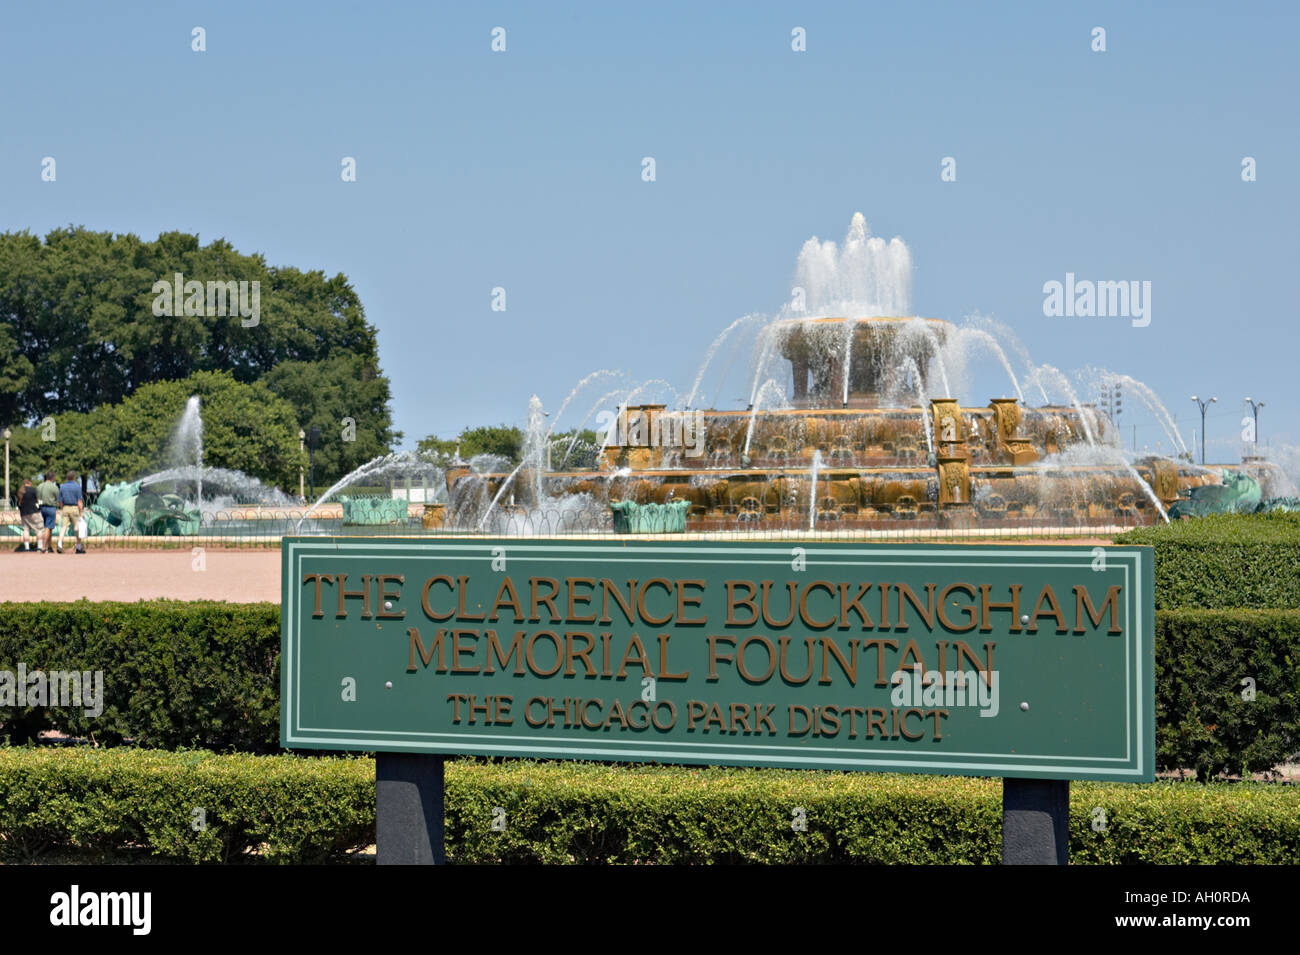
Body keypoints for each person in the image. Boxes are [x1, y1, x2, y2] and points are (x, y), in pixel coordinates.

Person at [57, 470, 85, 554]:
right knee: (77, 528)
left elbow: (60, 501)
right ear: (74, 477)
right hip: (74, 508)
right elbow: (79, 501)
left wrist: (62, 508)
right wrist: (81, 511)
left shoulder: (62, 487)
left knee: (63, 527)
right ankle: (79, 547)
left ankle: (59, 544)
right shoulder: (77, 487)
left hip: (65, 508)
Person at [36, 471, 59, 554]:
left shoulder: (39, 486)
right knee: (48, 528)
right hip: (51, 508)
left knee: (49, 528)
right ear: (52, 477)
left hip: (42, 508)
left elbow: (37, 498)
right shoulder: (54, 487)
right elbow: (58, 498)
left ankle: (50, 546)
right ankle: (43, 547)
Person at [16, 478, 41, 552]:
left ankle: (27, 548)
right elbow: (37, 500)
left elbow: (19, 502)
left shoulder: (20, 491)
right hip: (33, 511)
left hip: (23, 512)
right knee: (39, 529)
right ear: (29, 483)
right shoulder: (33, 490)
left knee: (26, 530)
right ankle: (39, 547)